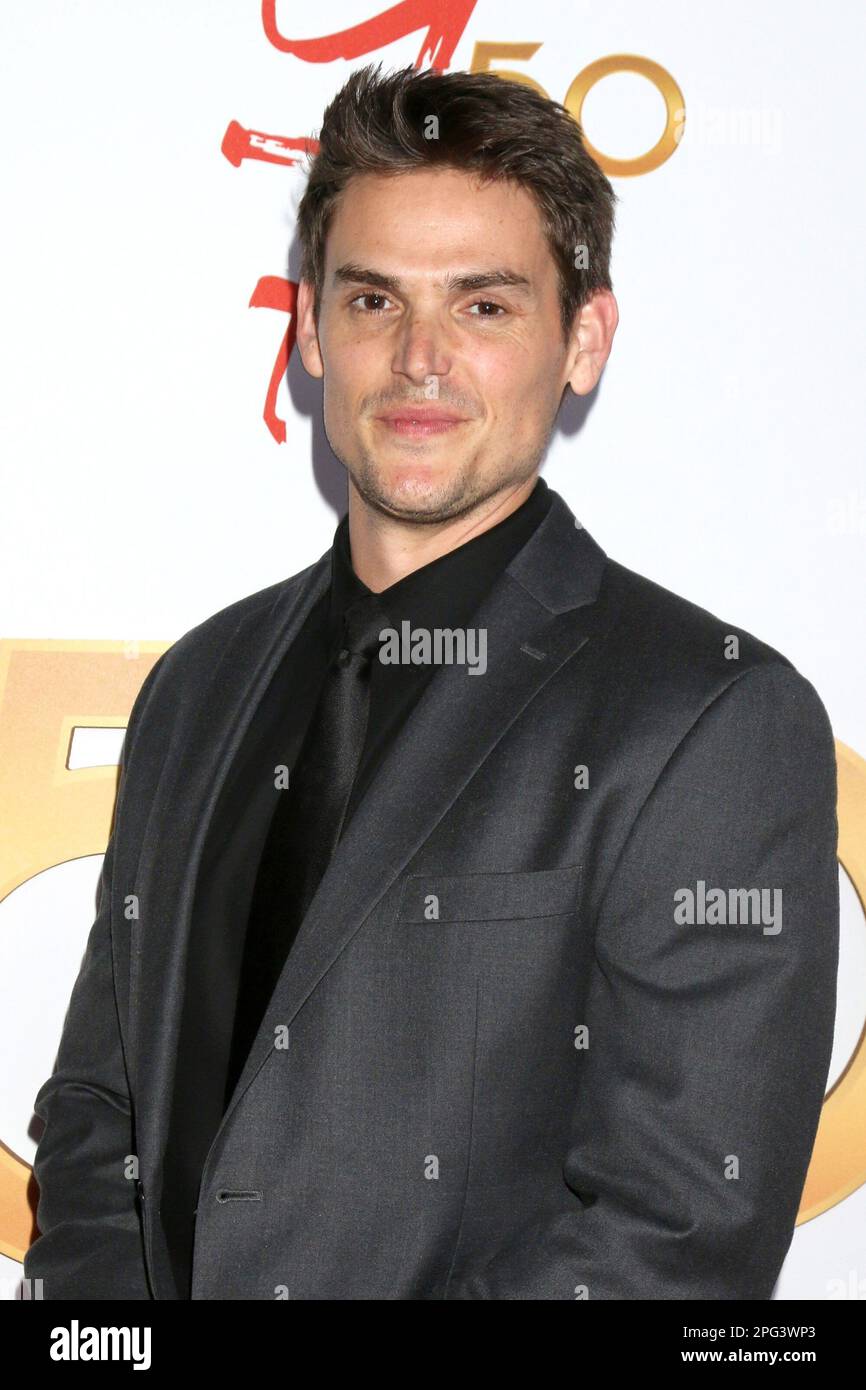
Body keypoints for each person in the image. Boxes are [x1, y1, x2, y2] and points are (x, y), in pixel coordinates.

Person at [25, 62, 838, 1301]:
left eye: (483, 307)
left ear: (582, 341)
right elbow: (103, 1109)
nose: (418, 360)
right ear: (307, 330)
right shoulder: (199, 686)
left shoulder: (708, 717)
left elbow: (676, 1235)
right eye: (372, 300)